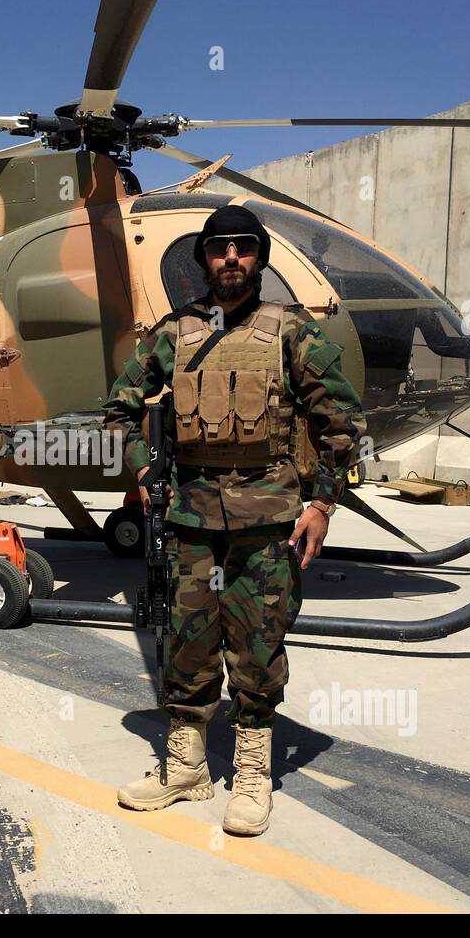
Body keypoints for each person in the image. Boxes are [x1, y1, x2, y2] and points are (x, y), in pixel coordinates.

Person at [102, 204, 366, 836]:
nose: (230, 260)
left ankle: (252, 771)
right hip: (190, 519)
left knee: (257, 645)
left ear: (258, 258)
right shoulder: (174, 333)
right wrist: (143, 471)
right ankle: (186, 767)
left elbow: (343, 424)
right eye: (219, 249)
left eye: (243, 248)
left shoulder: (292, 333)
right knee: (189, 642)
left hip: (268, 519)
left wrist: (323, 504)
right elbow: (117, 409)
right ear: (203, 260)